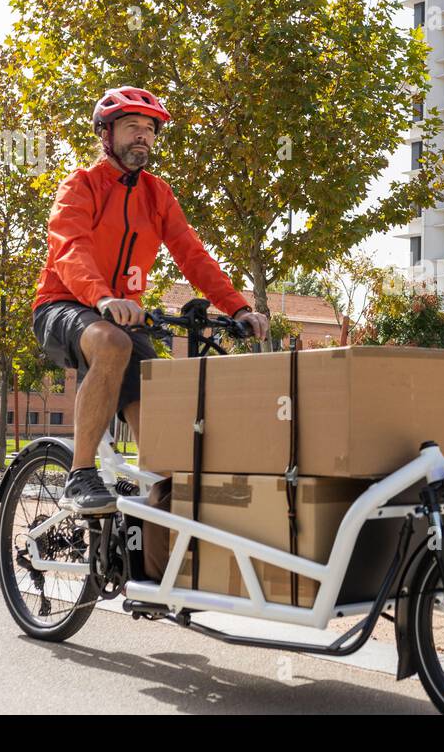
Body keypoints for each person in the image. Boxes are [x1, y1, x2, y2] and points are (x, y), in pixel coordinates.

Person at [32, 86, 269, 514]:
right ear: (106, 134)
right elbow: (69, 248)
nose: (142, 136)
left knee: (156, 387)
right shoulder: (81, 185)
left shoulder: (158, 194)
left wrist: (238, 307)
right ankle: (80, 475)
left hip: (121, 314)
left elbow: (192, 255)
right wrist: (103, 297)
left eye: (148, 129)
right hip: (64, 304)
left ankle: (161, 499)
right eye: (130, 127)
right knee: (112, 343)